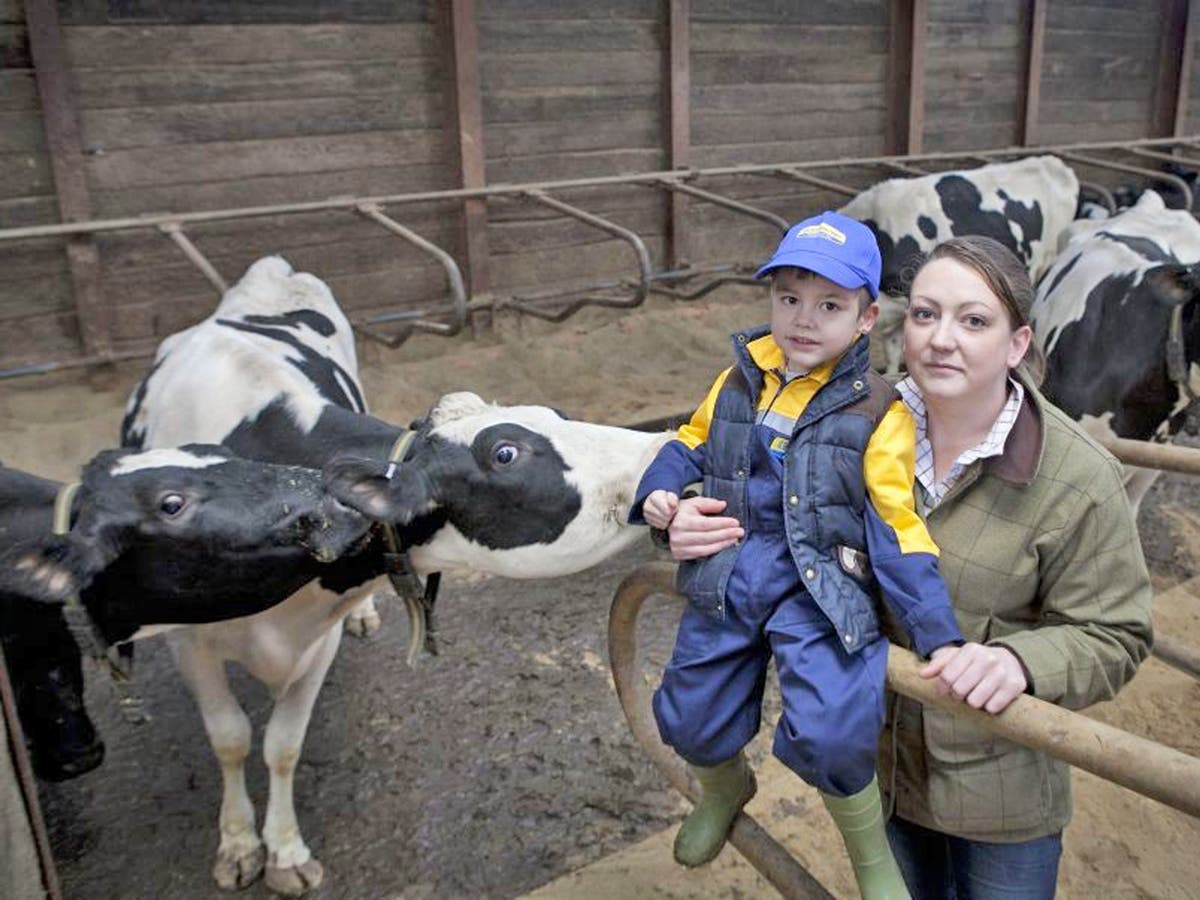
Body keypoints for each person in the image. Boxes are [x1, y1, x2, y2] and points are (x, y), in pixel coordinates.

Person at [665, 235, 1154, 900]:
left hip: (999, 794)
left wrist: (1020, 661)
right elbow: (751, 480)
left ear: (1017, 343)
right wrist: (687, 513)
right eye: (925, 314)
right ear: (896, 322)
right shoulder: (847, 411)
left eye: (974, 320)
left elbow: (1116, 635)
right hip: (881, 769)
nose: (941, 340)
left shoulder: (1078, 479)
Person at [629, 210, 966, 900]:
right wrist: (658, 496)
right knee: (688, 714)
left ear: (868, 319)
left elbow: (898, 526)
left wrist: (939, 636)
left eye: (830, 305)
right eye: (789, 298)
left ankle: (871, 857)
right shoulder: (740, 379)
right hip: (730, 570)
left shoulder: (882, 413)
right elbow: (685, 443)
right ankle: (724, 790)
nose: (804, 320)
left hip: (822, 591)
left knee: (834, 735)